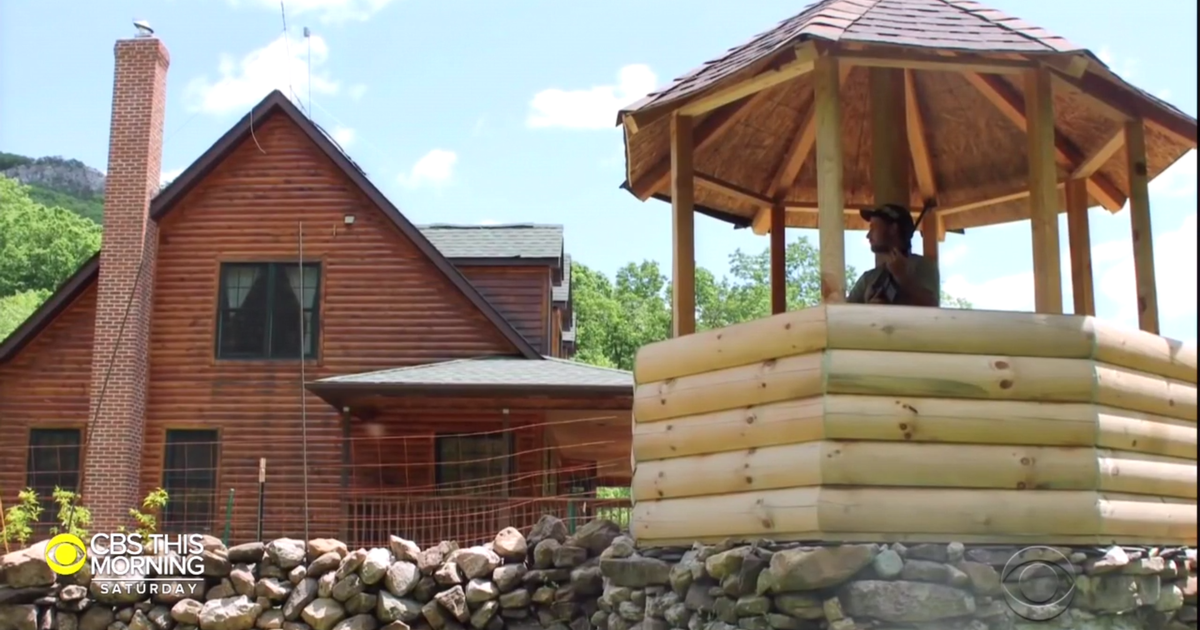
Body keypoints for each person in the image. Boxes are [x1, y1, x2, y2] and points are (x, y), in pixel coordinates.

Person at [846, 204, 940, 307]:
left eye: (873, 227)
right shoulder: (868, 278)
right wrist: (868, 309)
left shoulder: (923, 266)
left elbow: (933, 307)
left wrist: (903, 278)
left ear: (893, 229)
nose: (868, 235)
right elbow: (843, 315)